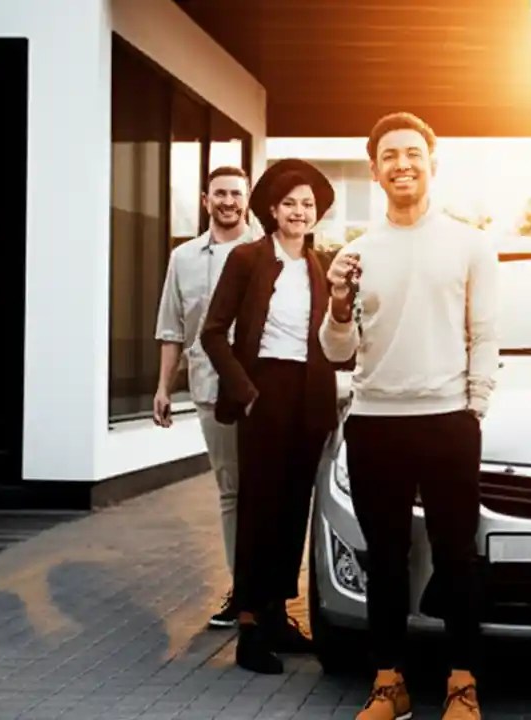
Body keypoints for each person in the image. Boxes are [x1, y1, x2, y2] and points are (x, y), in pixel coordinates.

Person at [320, 112, 499, 720]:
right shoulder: (357, 253)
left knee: (456, 556)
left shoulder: (469, 243)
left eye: (413, 153)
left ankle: (462, 683)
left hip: (448, 421)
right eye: (390, 155)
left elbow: (485, 332)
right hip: (374, 422)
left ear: (431, 163)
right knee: (386, 558)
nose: (402, 164)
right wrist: (338, 303)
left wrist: (473, 408)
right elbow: (337, 351)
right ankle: (389, 682)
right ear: (375, 171)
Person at [200, 158, 341, 675]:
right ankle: (251, 628)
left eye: (308, 204)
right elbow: (213, 332)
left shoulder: (320, 264)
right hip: (264, 392)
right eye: (290, 204)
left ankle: (280, 615)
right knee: (259, 510)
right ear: (273, 210)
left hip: (310, 398)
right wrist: (247, 392)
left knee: (294, 509)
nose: (300, 212)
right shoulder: (247, 259)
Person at [152, 165, 259, 628]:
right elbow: (172, 327)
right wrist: (162, 385)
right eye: (220, 193)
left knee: (269, 491)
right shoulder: (184, 258)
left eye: (236, 193)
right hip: (211, 390)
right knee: (232, 491)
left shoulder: (268, 251)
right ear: (205, 199)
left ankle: (269, 594)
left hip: (263, 391)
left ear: (248, 198)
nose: (228, 201)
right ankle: (243, 590)